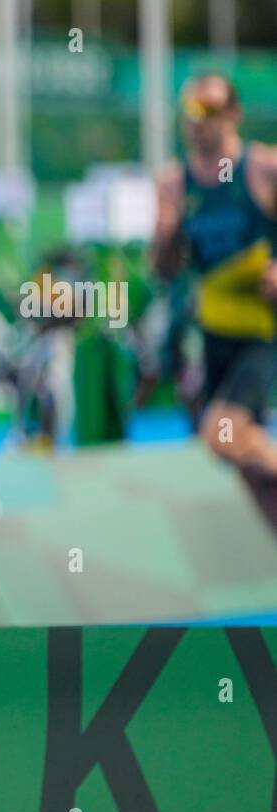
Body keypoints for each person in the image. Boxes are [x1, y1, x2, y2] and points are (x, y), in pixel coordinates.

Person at [151, 74, 277, 524]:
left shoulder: (263, 168)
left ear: (233, 116)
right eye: (189, 110)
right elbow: (164, 271)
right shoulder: (175, 182)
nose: (195, 122)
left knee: (221, 435)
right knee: (252, 474)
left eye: (206, 111)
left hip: (262, 332)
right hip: (214, 334)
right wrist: (166, 236)